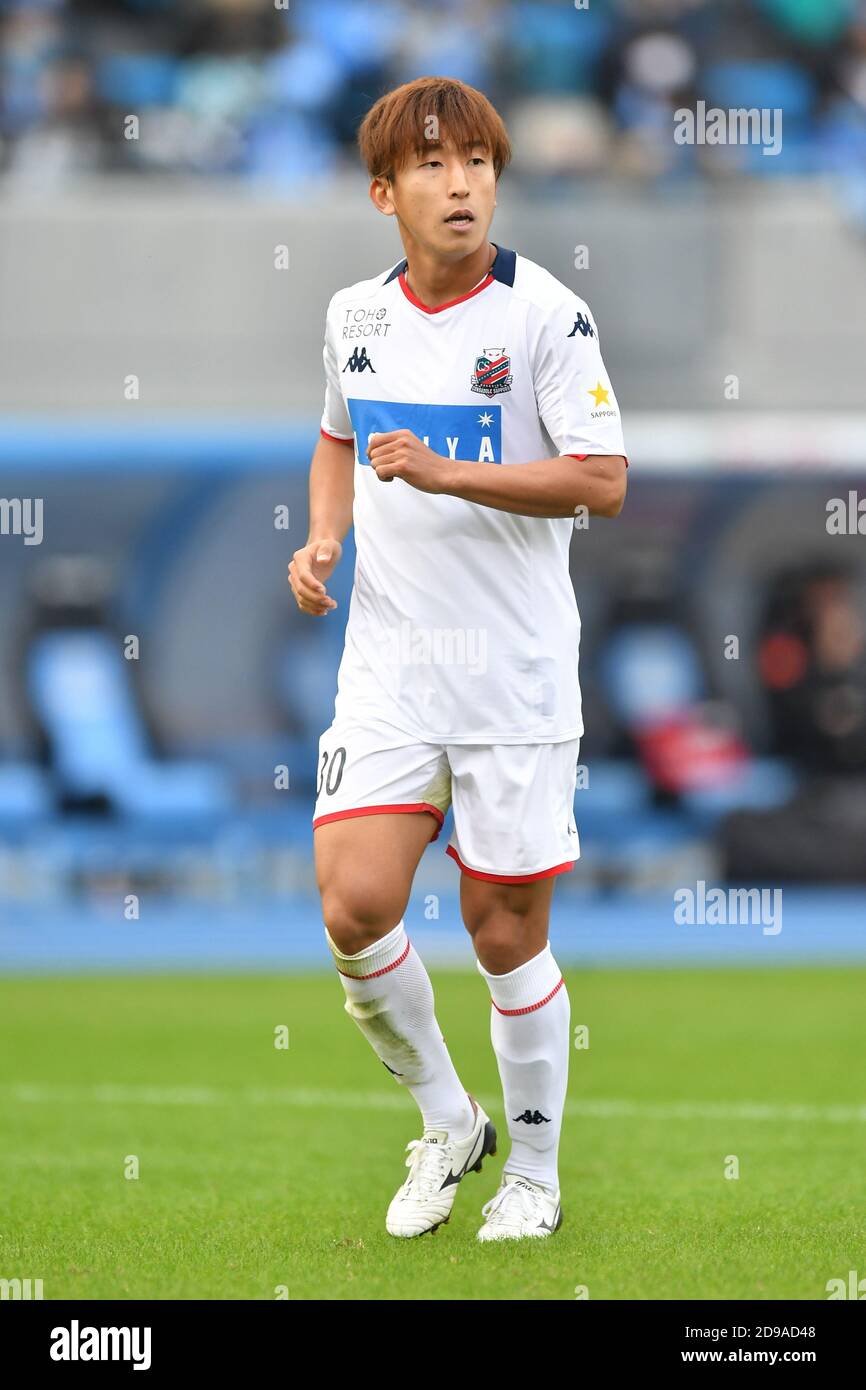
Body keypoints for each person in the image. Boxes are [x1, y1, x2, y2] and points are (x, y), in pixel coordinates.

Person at [288, 75, 627, 1241]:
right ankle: (447, 1120)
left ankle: (531, 1174)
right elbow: (335, 439)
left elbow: (601, 480)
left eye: (477, 161)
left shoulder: (546, 316)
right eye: (432, 166)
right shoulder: (351, 316)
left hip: (512, 677)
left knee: (500, 932)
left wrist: (448, 471)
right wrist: (324, 535)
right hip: (388, 664)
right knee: (354, 903)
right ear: (384, 192)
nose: (461, 183)